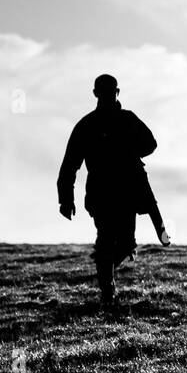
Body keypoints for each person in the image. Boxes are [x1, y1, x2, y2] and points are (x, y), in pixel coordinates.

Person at [57, 74, 158, 309]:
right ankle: (107, 289)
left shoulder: (117, 121)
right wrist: (65, 198)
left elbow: (150, 144)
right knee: (108, 241)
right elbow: (70, 164)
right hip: (108, 193)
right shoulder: (92, 124)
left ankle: (106, 277)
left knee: (124, 243)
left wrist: (66, 199)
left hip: (120, 192)